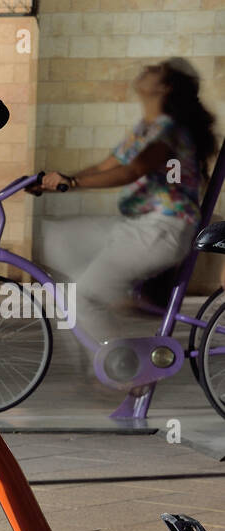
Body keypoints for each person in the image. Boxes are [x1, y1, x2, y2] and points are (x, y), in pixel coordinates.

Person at [34, 59, 216, 381]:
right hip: (141, 226)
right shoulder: (144, 129)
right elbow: (108, 165)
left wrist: (72, 183)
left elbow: (133, 170)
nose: (146, 68)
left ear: (165, 87)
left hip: (163, 229)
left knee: (80, 298)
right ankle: (116, 299)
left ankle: (127, 371)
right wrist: (57, 181)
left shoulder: (169, 130)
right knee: (56, 236)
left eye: (155, 70)